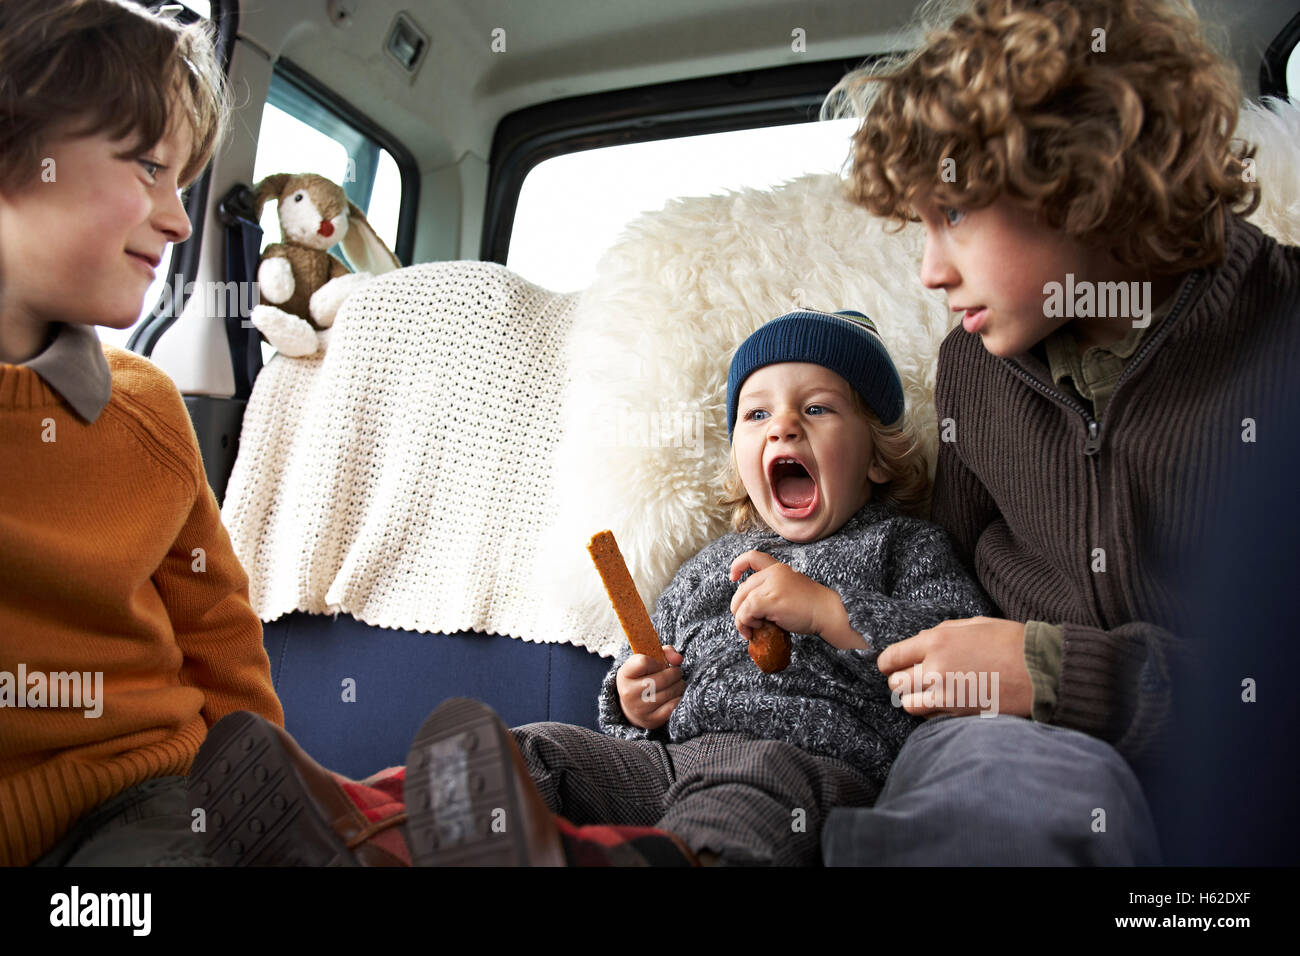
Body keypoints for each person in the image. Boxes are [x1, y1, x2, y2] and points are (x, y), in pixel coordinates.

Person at [190, 308, 993, 866]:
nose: (783, 427)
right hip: (666, 768)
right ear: (741, 467)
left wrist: (831, 614)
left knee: (747, 794)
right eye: (757, 416)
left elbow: (958, 655)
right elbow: (638, 690)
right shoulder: (711, 567)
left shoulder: (902, 545)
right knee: (541, 751)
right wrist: (639, 700)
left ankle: (662, 863)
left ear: (880, 454)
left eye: (817, 409)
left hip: (806, 770)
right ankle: (373, 823)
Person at [820, 0, 1299, 864]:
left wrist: (1065, 673)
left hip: (1236, 761)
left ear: (1083, 182)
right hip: (1013, 748)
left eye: (954, 215)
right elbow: (946, 584)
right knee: (1006, 801)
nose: (930, 272)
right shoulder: (969, 366)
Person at [0, 0, 283, 867]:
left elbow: (220, 635)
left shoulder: (144, 411)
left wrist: (267, 804)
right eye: (146, 168)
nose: (181, 219)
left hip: (144, 801)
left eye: (181, 181)